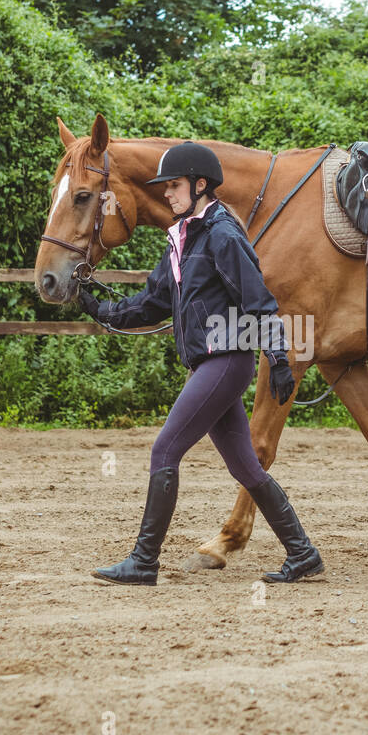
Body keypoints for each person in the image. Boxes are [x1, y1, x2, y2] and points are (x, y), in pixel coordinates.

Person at [75, 141, 324, 586]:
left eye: (174, 185)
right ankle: (303, 554)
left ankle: (143, 562)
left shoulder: (224, 235)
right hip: (209, 364)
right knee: (246, 467)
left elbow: (259, 301)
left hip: (226, 362)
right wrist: (99, 309)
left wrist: (279, 358)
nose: (167, 194)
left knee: (165, 450)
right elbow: (152, 303)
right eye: (167, 186)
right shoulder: (183, 237)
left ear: (200, 185)